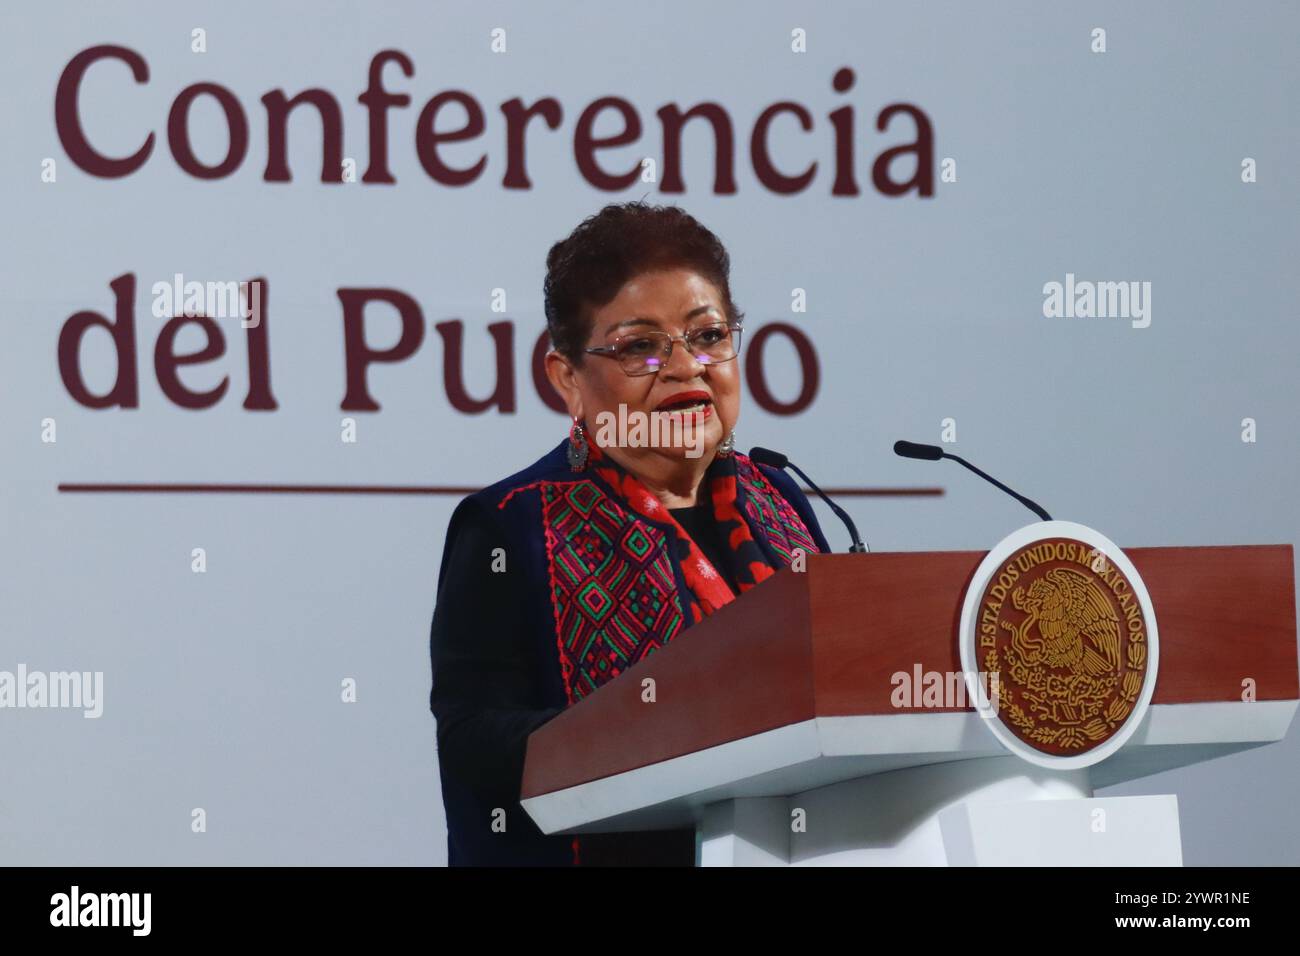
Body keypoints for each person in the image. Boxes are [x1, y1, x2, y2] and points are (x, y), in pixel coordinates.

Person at [429, 201, 832, 866]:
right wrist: (664, 728)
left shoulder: (780, 499)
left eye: (708, 335)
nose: (686, 366)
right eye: (641, 347)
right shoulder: (511, 524)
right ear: (568, 379)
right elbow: (474, 742)